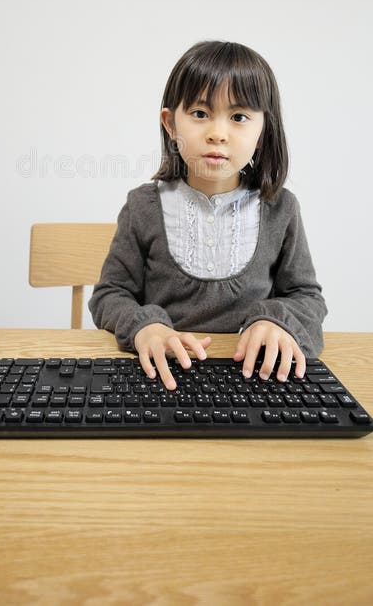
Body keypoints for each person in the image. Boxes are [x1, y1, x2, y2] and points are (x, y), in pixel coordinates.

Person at [89, 40, 327, 392]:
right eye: (200, 114)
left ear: (262, 133)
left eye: (239, 117)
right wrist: (146, 327)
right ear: (171, 125)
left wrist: (278, 323)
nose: (218, 133)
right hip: (161, 376)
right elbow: (110, 294)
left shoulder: (282, 209)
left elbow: (307, 297)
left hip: (254, 379)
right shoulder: (142, 207)